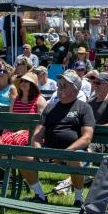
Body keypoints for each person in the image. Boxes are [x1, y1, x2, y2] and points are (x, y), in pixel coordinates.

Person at [20, 70, 94, 204]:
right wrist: (39, 151)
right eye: (59, 85)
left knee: (75, 157)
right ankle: (40, 195)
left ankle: (78, 199)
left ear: (75, 90)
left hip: (72, 153)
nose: (59, 88)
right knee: (22, 156)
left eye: (64, 85)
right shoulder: (50, 108)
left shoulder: (84, 108)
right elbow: (37, 136)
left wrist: (65, 153)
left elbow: (86, 138)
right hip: (48, 151)